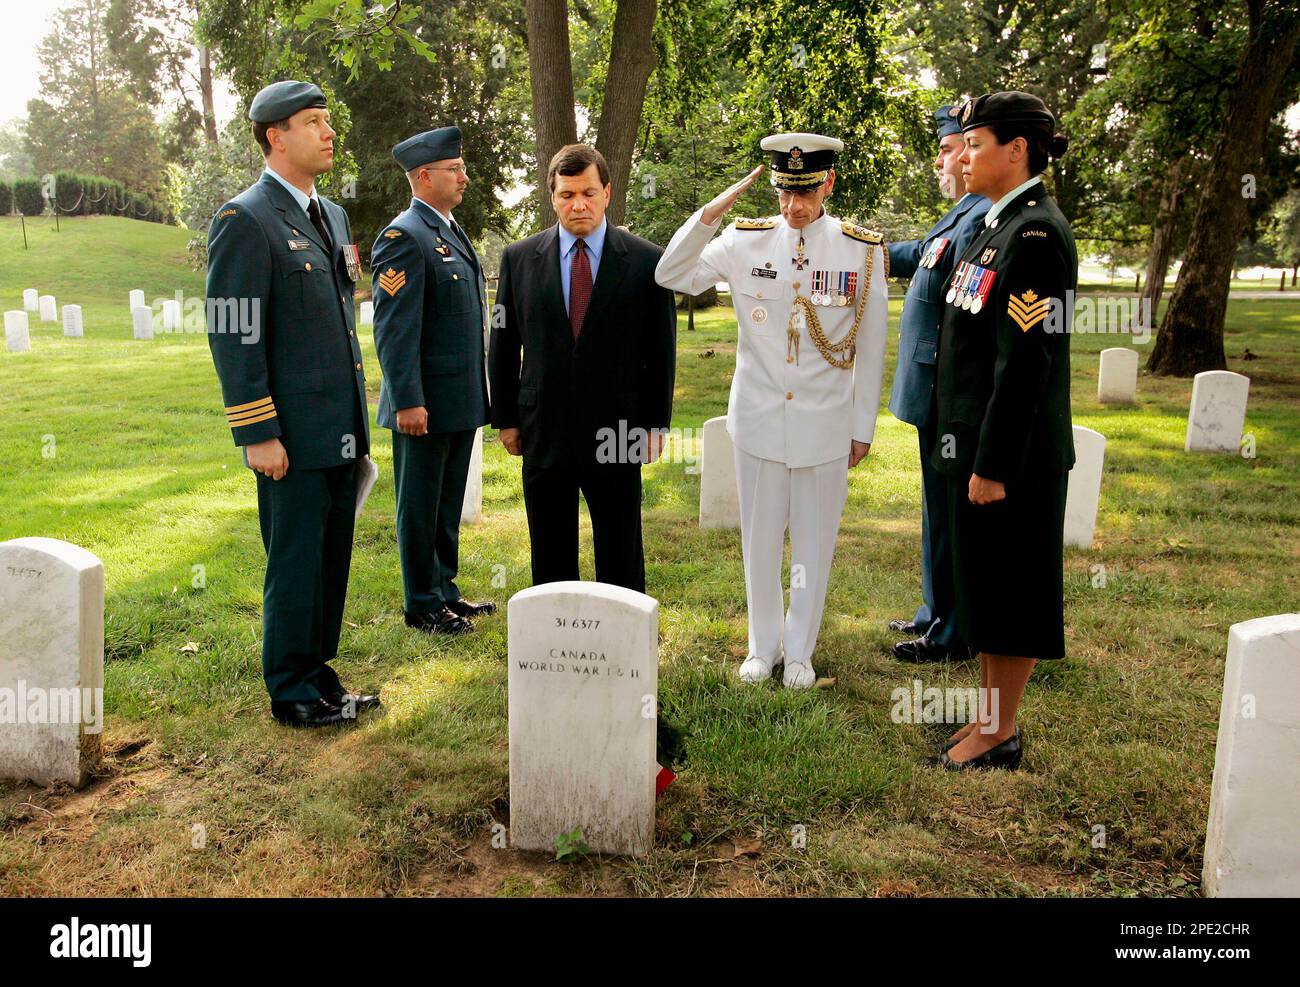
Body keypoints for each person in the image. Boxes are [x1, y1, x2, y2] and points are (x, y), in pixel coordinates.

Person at [656, 133, 889, 689]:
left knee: (814, 542)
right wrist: (712, 213)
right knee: (760, 540)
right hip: (758, 419)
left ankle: (801, 651)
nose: (792, 206)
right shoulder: (744, 241)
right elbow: (671, 274)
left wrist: (862, 428)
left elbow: (873, 345)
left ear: (828, 182)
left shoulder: (861, 249)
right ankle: (764, 646)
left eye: (805, 192)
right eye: (785, 192)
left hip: (825, 423)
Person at [205, 80, 379, 728]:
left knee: (330, 557)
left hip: (338, 423)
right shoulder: (244, 218)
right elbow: (233, 329)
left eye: (328, 120)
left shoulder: (330, 215)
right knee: (296, 556)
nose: (330, 132)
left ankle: (317, 670)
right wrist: (257, 430)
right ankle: (291, 688)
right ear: (276, 136)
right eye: (314, 122)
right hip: (291, 433)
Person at [928, 91, 1075, 769]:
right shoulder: (996, 225)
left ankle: (1001, 731)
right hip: (974, 444)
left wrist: (991, 463)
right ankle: (989, 722)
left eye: (977, 143)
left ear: (1017, 151)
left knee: (1010, 592)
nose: (965, 155)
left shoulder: (1037, 235)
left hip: (1010, 454)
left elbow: (1026, 364)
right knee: (985, 586)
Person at [488, 144, 677, 591]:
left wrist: (655, 425)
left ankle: (624, 641)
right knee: (550, 547)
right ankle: (555, 643)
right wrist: (506, 420)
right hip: (544, 428)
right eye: (567, 194)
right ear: (551, 197)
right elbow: (502, 344)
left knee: (620, 545)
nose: (579, 204)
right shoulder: (519, 259)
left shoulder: (648, 261)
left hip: (618, 429)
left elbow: (661, 350)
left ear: (607, 192)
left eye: (589, 193)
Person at [372, 126, 495, 636]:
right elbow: (395, 329)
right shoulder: (405, 236)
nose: (464, 176)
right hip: (423, 403)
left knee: (445, 503)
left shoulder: (448, 229)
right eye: (454, 169)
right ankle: (421, 602)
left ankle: (444, 590)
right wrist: (407, 399)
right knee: (420, 506)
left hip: (459, 397)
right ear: (424, 176)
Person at [885, 106, 990, 664]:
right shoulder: (960, 212)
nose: (942, 159)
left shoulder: (983, 214)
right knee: (935, 507)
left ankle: (952, 631)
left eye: (949, 149)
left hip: (947, 389)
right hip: (930, 387)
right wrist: (862, 247)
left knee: (952, 513)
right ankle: (935, 612)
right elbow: (921, 258)